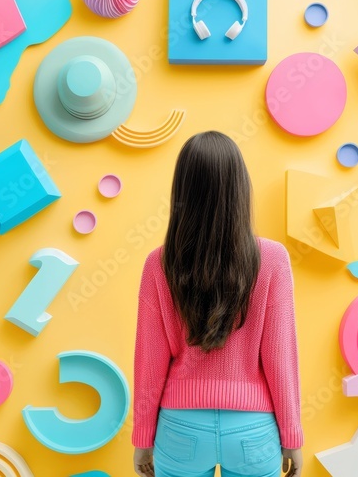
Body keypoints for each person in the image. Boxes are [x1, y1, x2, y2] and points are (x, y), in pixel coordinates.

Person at [133, 131, 303, 477]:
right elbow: (279, 357)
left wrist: (142, 438)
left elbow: (149, 361)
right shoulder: (273, 259)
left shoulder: (159, 263)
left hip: (179, 428)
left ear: (181, 191)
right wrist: (292, 436)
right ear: (240, 189)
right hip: (253, 430)